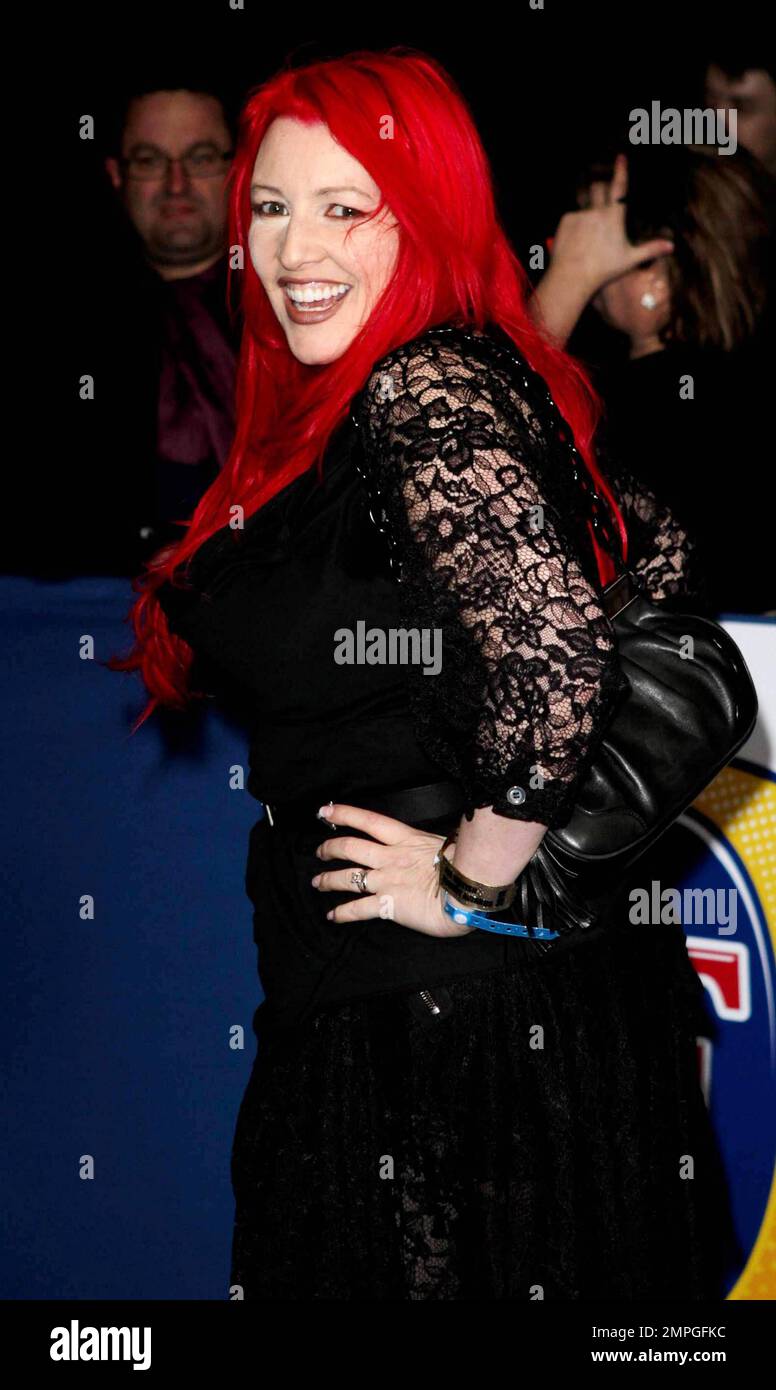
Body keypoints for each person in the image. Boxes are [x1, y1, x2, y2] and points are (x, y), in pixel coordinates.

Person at [112, 49, 740, 1300]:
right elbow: (646, 551)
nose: (295, 249)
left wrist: (475, 882)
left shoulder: (424, 384)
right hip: (415, 1002)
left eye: (346, 208)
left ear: (429, 216)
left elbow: (560, 660)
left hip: (450, 1030)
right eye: (273, 206)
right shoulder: (381, 387)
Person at [531, 145, 775, 615]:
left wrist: (567, 281)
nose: (563, 245)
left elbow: (476, 413)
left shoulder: (635, 406)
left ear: (656, 275)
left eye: (596, 234)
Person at [67, 80, 242, 576]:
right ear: (116, 175)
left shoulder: (306, 315)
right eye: (149, 160)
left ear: (237, 170)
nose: (176, 183)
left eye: (201, 156)